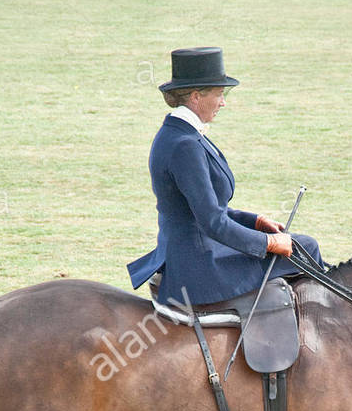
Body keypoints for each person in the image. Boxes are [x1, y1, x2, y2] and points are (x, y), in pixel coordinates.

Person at [127, 47, 324, 307]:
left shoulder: (180, 133)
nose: (223, 102)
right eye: (219, 94)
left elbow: (203, 208)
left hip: (196, 249)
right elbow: (212, 222)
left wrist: (254, 221)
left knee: (300, 245)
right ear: (196, 96)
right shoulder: (185, 144)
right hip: (198, 265)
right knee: (305, 248)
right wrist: (267, 243)